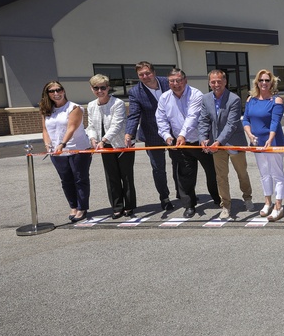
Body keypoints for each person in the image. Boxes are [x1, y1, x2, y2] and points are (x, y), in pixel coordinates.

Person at [156, 68, 220, 219]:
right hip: (181, 144)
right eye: (172, 81)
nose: (176, 84)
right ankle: (189, 205)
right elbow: (161, 119)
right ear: (168, 82)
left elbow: (192, 117)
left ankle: (218, 198)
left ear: (185, 80)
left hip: (201, 141)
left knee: (213, 172)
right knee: (185, 175)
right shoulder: (164, 98)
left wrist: (182, 135)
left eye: (179, 80)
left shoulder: (196, 94)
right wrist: (166, 136)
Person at [124, 61, 179, 213]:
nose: (145, 77)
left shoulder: (167, 83)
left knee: (179, 164)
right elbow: (134, 115)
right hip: (152, 135)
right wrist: (129, 133)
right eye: (141, 75)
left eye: (147, 73)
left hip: (174, 133)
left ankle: (182, 192)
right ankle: (165, 198)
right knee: (158, 168)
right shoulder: (136, 92)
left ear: (153, 72)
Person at [199, 69, 254, 221]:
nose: (216, 84)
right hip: (216, 145)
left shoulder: (234, 99)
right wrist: (203, 138)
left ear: (225, 82)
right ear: (209, 83)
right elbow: (203, 120)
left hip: (233, 142)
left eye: (219, 81)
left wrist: (218, 142)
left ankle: (247, 197)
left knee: (241, 173)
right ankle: (226, 206)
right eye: (213, 82)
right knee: (221, 177)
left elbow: (231, 124)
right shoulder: (206, 99)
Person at [39, 81, 92, 222]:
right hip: (57, 152)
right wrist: (47, 144)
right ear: (48, 94)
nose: (56, 93)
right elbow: (45, 130)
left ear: (63, 91)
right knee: (66, 180)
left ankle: (82, 208)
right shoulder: (46, 110)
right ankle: (73, 206)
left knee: (80, 179)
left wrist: (62, 143)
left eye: (59, 89)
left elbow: (71, 128)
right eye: (52, 91)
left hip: (77, 149)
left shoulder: (74, 108)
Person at [85, 74, 136, 219]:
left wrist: (104, 139)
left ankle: (129, 206)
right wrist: (93, 138)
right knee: (111, 177)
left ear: (108, 88)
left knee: (126, 177)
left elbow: (117, 124)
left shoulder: (117, 103)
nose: (100, 90)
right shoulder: (91, 105)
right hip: (105, 146)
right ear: (92, 89)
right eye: (96, 88)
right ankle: (117, 207)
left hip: (121, 145)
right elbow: (91, 126)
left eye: (103, 87)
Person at [243, 69, 284, 221]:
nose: (264, 83)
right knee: (264, 174)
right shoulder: (251, 99)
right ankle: (267, 202)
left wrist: (270, 139)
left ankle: (278, 206)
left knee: (277, 174)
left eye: (267, 80)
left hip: (273, 141)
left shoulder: (276, 101)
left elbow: (275, 122)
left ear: (271, 83)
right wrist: (249, 134)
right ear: (257, 82)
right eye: (261, 80)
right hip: (257, 142)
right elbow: (246, 120)